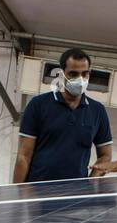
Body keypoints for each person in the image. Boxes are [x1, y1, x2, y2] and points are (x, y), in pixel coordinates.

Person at [12, 47, 111, 183]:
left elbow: (105, 155)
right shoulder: (38, 105)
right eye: (73, 74)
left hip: (75, 194)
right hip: (37, 190)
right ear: (61, 74)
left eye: (84, 74)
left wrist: (89, 183)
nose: (80, 79)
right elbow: (24, 155)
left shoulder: (97, 111)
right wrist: (17, 193)